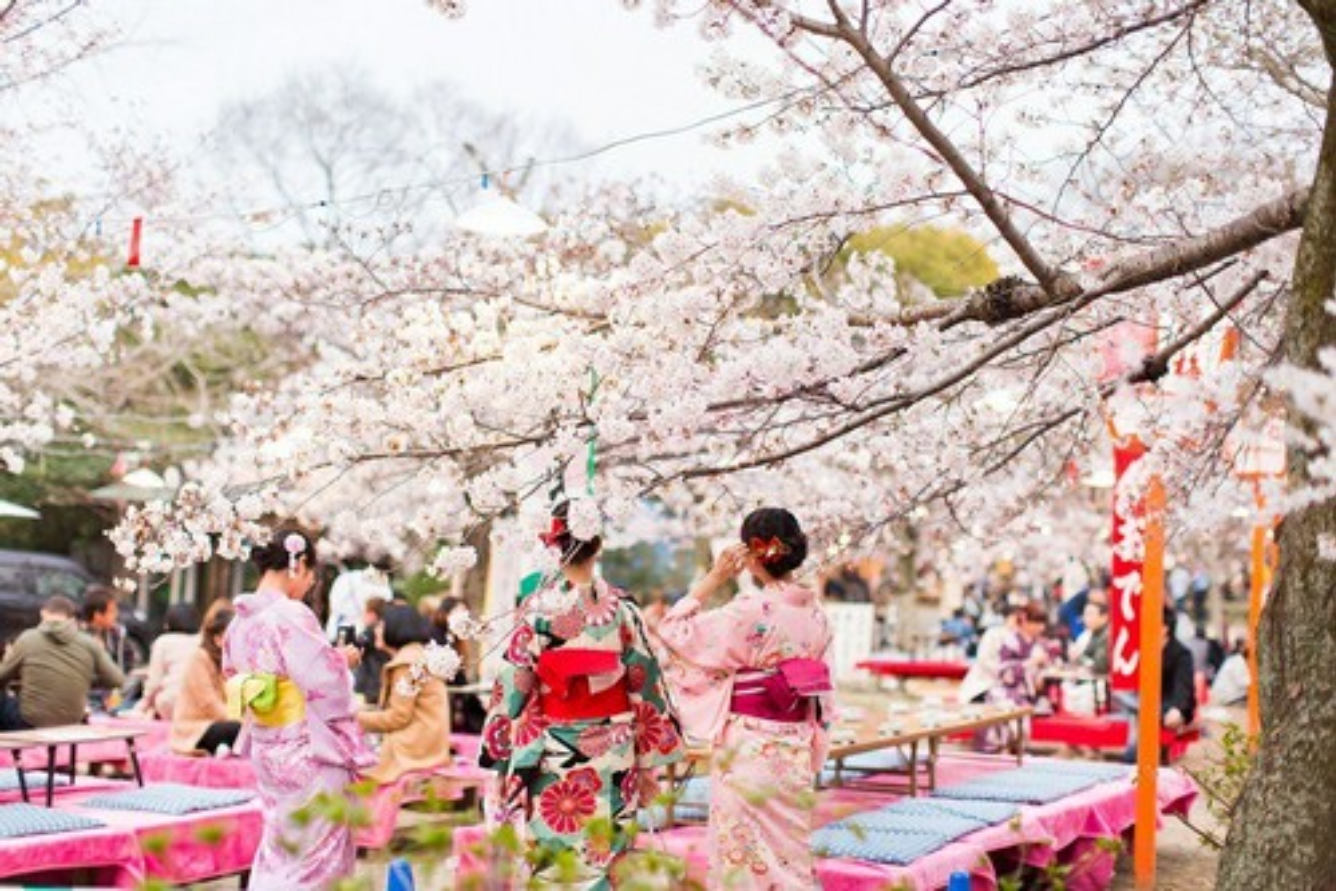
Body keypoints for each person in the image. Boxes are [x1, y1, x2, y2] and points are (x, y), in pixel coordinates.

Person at [479, 501, 684, 889]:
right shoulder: (623, 610)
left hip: (554, 749)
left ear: (554, 546)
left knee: (556, 849)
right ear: (599, 545)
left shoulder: (537, 610)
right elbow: (645, 685)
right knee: (607, 850)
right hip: (616, 749)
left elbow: (514, 683)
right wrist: (648, 763)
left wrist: (500, 754)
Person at [656, 507, 836, 890]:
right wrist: (816, 746)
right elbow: (825, 696)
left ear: (752, 554)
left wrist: (714, 578)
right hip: (796, 748)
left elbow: (673, 632)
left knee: (740, 855)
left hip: (748, 748)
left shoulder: (751, 610)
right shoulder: (818, 617)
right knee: (791, 855)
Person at [224, 529, 374, 891]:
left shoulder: (237, 622)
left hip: (268, 748)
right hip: (306, 752)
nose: (309, 585)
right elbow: (326, 682)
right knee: (316, 859)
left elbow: (233, 677)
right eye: (310, 576)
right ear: (298, 563)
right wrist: (345, 660)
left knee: (280, 850)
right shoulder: (289, 613)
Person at [355, 604, 451, 784]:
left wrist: (354, 719)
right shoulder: (418, 655)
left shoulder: (406, 663)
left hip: (412, 749)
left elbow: (398, 717)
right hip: (429, 745)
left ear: (394, 627)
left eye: (380, 625)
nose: (375, 630)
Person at [0, 595, 124, 729]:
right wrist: (84, 677)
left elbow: (2, 677)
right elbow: (117, 680)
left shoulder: (28, 638)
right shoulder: (88, 642)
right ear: (72, 618)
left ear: (43, 613)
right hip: (74, 718)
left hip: (31, 721)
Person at [959, 599, 1050, 751]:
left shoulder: (1027, 638)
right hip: (987, 685)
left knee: (1016, 704)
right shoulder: (995, 634)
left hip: (1014, 687)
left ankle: (1013, 748)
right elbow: (989, 664)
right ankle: (998, 748)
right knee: (1003, 703)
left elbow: (1030, 668)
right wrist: (1023, 666)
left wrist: (1032, 671)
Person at [171, 606, 241, 755]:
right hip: (195, 728)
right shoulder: (200, 658)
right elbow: (209, 704)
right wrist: (241, 721)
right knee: (237, 730)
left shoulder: (232, 662)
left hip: (221, 721)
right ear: (218, 639)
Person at [138, 603, 201, 720]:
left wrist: (143, 705)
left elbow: (154, 682)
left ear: (168, 623)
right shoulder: (202, 641)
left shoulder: (163, 642)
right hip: (199, 704)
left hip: (170, 704)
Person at [324, 559, 392, 643]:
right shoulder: (382, 588)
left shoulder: (344, 577)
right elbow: (376, 613)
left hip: (334, 629)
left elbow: (331, 606)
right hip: (360, 632)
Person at [1069, 589, 1111, 675]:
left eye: (1090, 614)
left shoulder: (1107, 635)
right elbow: (1087, 655)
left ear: (1104, 617)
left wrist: (1078, 656)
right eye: (1085, 615)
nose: (1086, 619)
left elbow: (1099, 666)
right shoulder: (1095, 633)